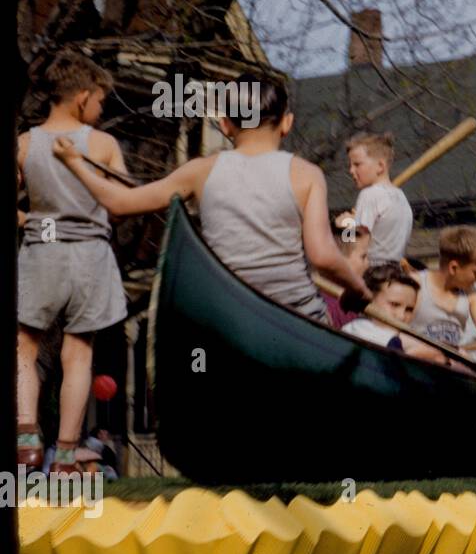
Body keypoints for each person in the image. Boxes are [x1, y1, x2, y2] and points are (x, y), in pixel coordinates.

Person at [54, 70, 370, 325]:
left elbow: (120, 203)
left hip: (225, 314)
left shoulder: (199, 171)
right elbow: (323, 257)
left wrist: (76, 165)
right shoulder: (305, 173)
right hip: (295, 315)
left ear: (225, 124)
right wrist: (357, 288)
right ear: (286, 123)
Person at [16, 52, 126, 472]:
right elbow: (118, 204)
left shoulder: (25, 143)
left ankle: (27, 439)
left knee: (25, 348)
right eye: (99, 101)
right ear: (82, 97)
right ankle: (64, 454)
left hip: (42, 255)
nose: (101, 109)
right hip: (90, 259)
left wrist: (32, 220)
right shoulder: (102, 145)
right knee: (78, 355)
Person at [408, 226, 476, 353]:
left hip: (454, 363)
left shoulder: (470, 294)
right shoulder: (414, 284)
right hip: (414, 360)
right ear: (453, 268)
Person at [340, 263, 445, 364]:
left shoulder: (354, 327)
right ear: (369, 301)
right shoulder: (368, 332)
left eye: (409, 309)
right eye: (394, 305)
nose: (402, 316)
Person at [338, 132, 412, 268]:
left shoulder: (370, 195)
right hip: (395, 270)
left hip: (372, 272)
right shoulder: (401, 196)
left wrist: (346, 224)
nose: (351, 170)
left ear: (380, 166)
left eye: (357, 164)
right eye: (350, 165)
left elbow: (356, 249)